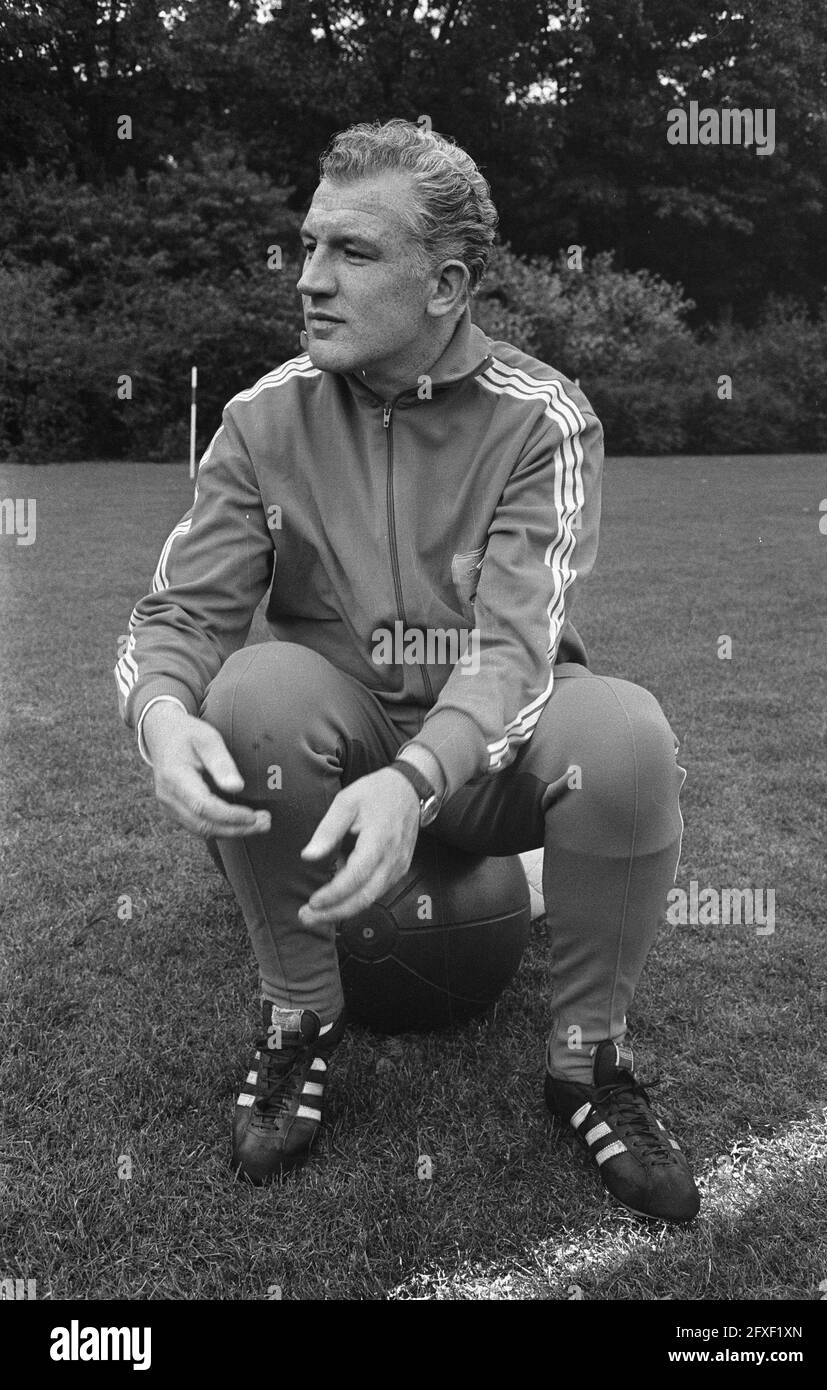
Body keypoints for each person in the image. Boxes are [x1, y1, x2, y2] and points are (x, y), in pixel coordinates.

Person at [114, 118, 699, 1223]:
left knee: (626, 735)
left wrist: (418, 778)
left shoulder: (542, 419)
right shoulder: (261, 416)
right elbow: (179, 613)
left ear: (447, 284)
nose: (309, 279)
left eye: (351, 252)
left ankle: (587, 1062)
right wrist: (158, 713)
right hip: (334, 747)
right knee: (246, 695)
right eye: (307, 245)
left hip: (487, 754)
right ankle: (299, 1021)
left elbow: (516, 651)